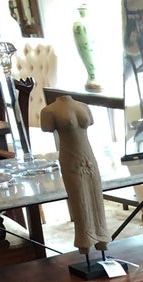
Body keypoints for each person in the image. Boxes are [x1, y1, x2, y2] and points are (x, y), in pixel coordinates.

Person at [41, 94, 110, 256]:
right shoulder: (49, 111)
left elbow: (90, 122)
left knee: (96, 197)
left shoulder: (83, 106)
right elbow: (46, 127)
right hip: (70, 158)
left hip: (89, 156)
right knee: (79, 199)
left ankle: (102, 237)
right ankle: (84, 241)